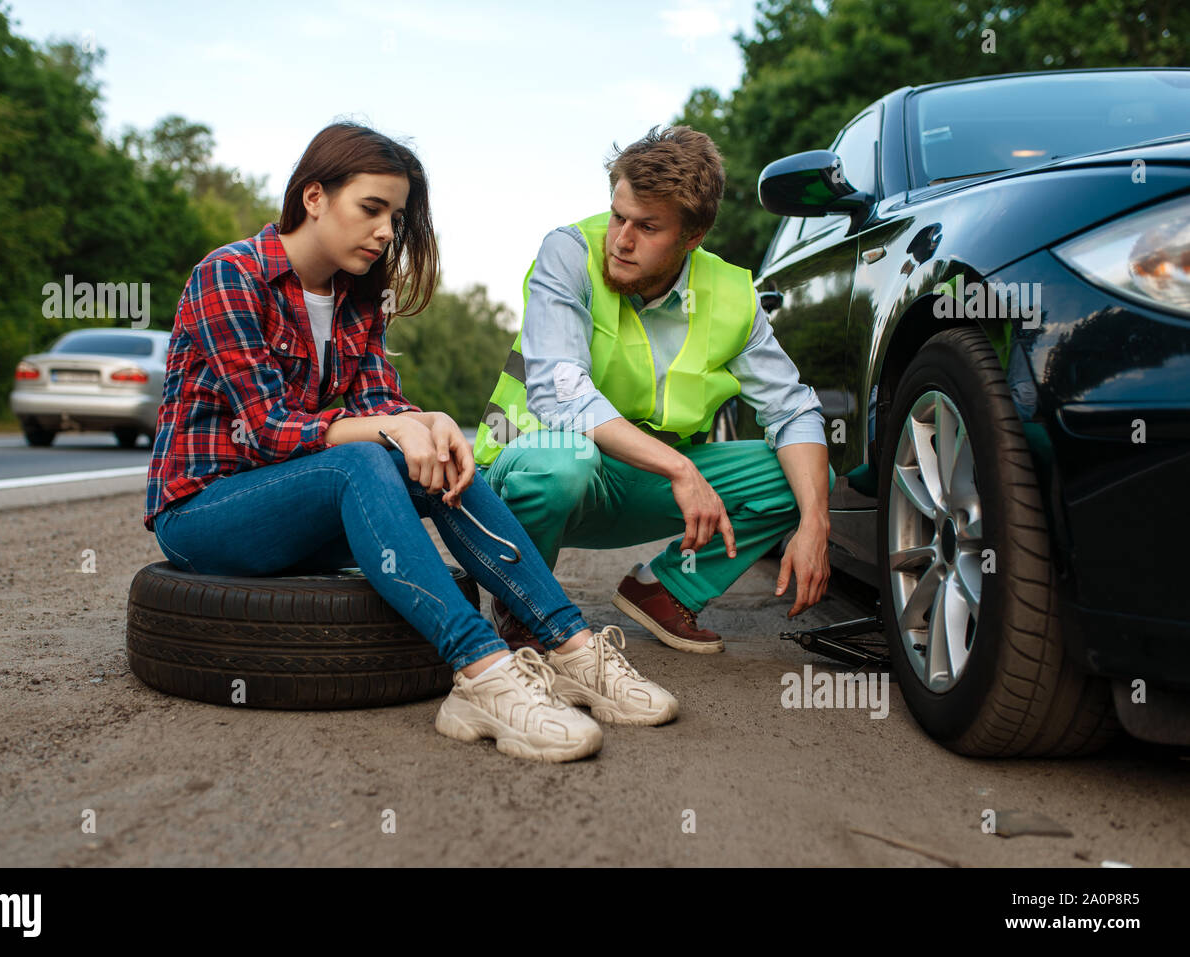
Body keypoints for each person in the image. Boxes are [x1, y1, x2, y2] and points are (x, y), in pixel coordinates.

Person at [143, 122, 677, 763]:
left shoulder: (356, 298)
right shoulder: (230, 275)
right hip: (205, 512)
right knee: (363, 459)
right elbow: (267, 430)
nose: (386, 232)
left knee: (436, 453)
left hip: (297, 513)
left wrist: (430, 422)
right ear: (314, 197)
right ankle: (482, 673)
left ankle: (570, 649)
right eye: (371, 209)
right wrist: (394, 429)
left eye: (395, 217)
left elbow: (379, 403)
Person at [473, 126, 835, 655]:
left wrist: (816, 523)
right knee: (564, 461)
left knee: (804, 477)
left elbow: (794, 410)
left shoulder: (732, 293)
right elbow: (560, 394)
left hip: (638, 481)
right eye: (619, 216)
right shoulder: (568, 252)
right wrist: (680, 468)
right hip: (534, 469)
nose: (621, 240)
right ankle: (524, 600)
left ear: (692, 237)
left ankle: (665, 591)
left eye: (647, 227)